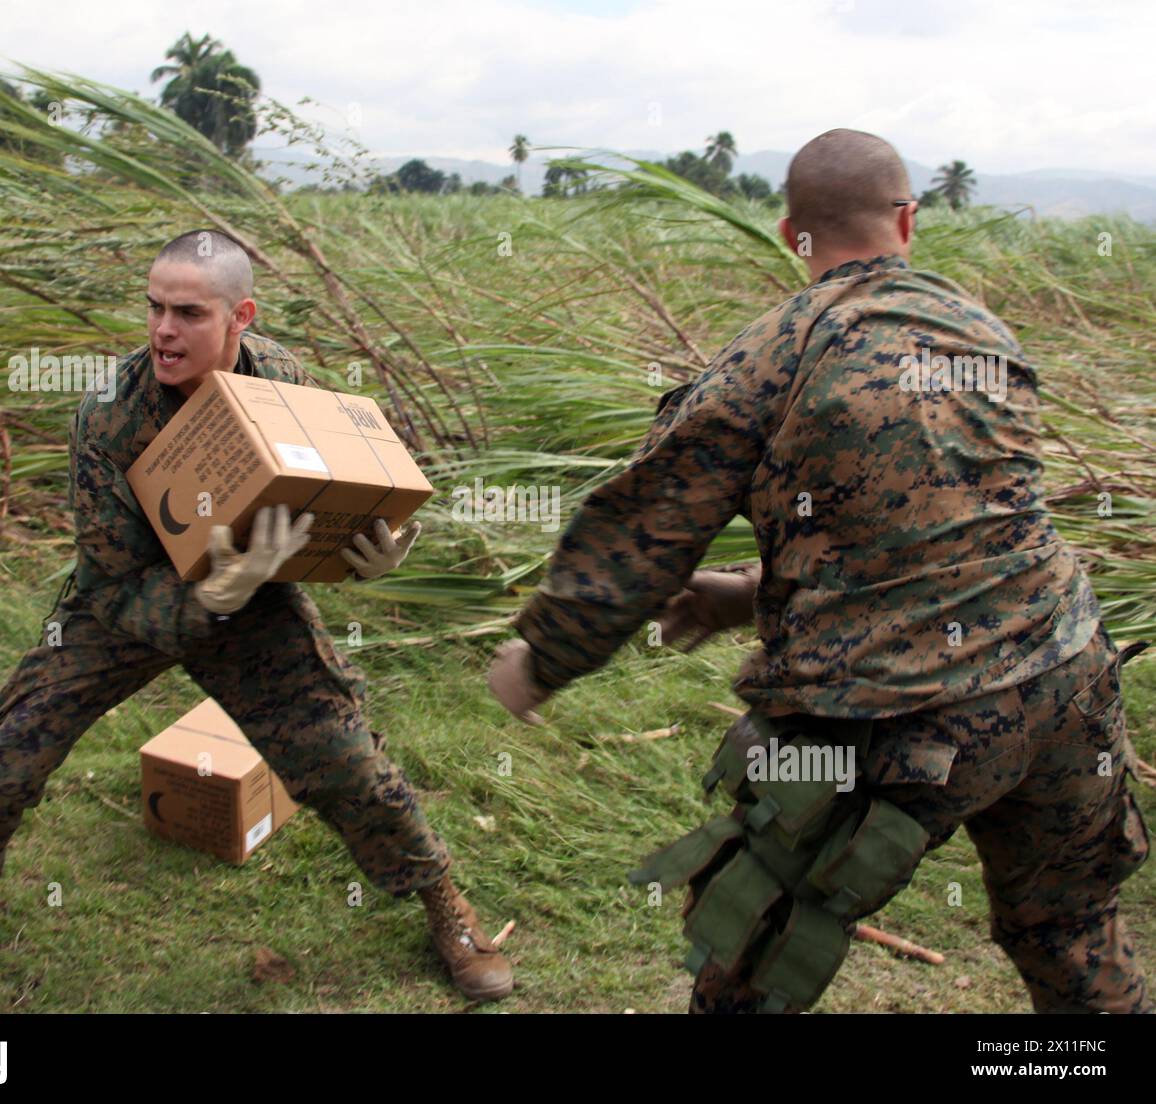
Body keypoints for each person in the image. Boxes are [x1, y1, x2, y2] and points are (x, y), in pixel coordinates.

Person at [488, 129, 1149, 1014]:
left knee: (753, 944)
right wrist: (748, 600)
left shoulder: (780, 346)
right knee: (1071, 933)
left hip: (897, 711)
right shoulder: (982, 330)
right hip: (1068, 678)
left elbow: (650, 522)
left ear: (790, 232)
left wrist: (543, 658)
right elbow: (946, 543)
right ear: (908, 220)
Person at [0, 229, 513, 1004]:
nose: (161, 330)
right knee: (5, 759)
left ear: (240, 316)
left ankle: (441, 903)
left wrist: (369, 552)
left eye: (186, 312)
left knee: (343, 757)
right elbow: (112, 579)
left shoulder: (281, 379)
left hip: (250, 594)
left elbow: (329, 487)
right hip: (123, 599)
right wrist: (203, 596)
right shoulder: (110, 415)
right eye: (153, 308)